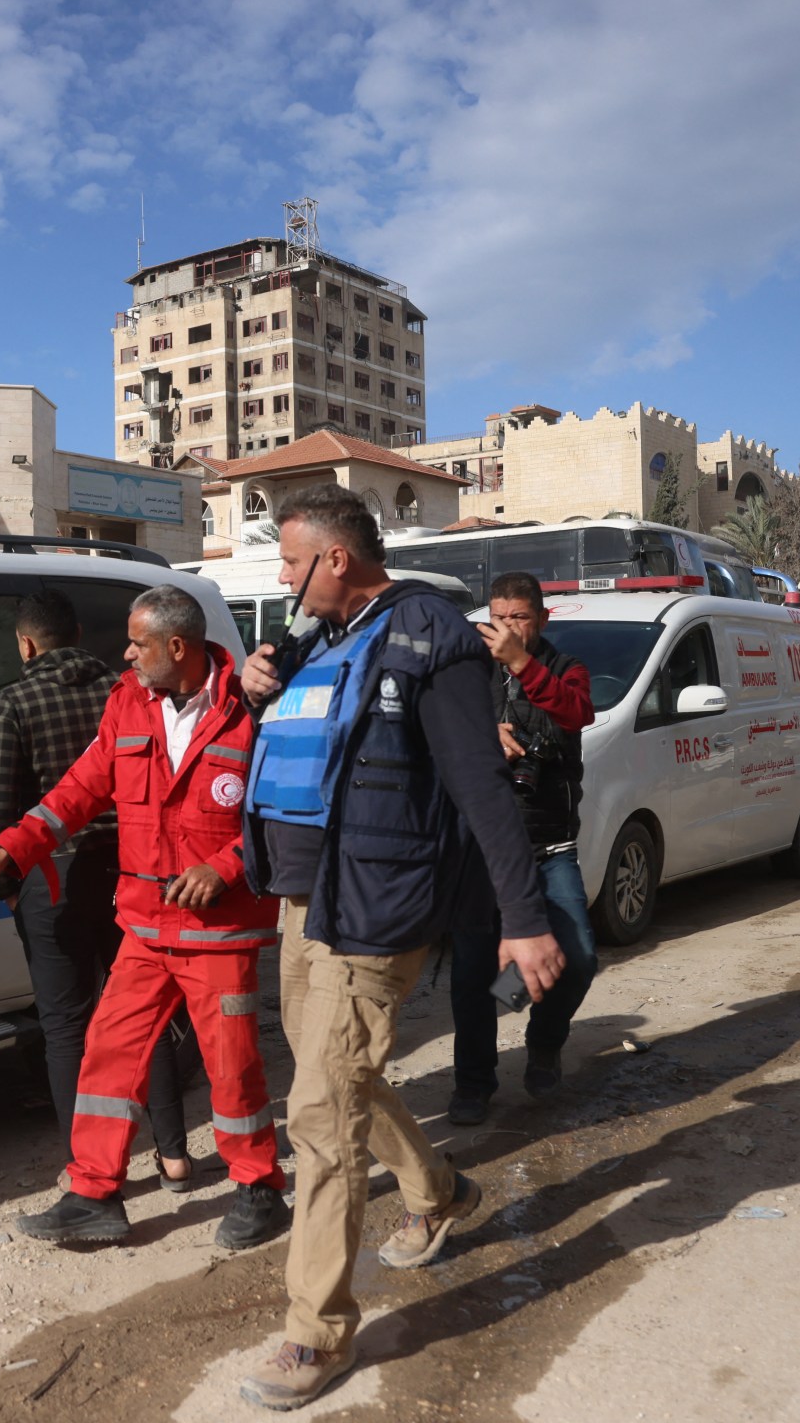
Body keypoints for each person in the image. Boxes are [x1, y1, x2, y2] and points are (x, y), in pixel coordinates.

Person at [234, 484, 565, 1412]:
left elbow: (480, 788)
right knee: (336, 1076)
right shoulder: (325, 639)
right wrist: (256, 681)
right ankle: (437, 1191)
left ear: (339, 559)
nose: (288, 583)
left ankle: (316, 1334)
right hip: (308, 901)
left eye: (295, 564)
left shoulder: (430, 640)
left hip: (377, 907)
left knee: (322, 1114)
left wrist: (524, 915)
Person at [0, 585, 289, 1250]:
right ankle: (93, 1193)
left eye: (137, 643)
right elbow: (77, 790)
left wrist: (224, 866)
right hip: (147, 925)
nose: (125, 654)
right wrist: (10, 849)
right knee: (106, 1055)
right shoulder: (128, 703)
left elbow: (279, 817)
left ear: (176, 647)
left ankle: (258, 1188)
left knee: (232, 1064)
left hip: (218, 931)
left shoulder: (252, 711)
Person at [0, 589, 195, 1187]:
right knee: (142, 1016)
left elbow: (2, 815)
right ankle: (174, 1152)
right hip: (130, 872)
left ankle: (93, 1166)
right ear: (77, 632)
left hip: (55, 878)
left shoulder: (14, 702)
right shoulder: (125, 691)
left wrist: (11, 894)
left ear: (26, 644)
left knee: (67, 1027)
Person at [447, 570, 600, 1124]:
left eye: (520, 619)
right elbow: (443, 730)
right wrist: (488, 733)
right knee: (470, 974)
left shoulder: (566, 669)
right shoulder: (470, 674)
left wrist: (521, 663)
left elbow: (576, 713)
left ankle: (543, 1038)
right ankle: (473, 1084)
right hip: (482, 847)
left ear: (542, 619)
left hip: (549, 844)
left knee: (577, 957)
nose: (508, 629)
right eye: (500, 618)